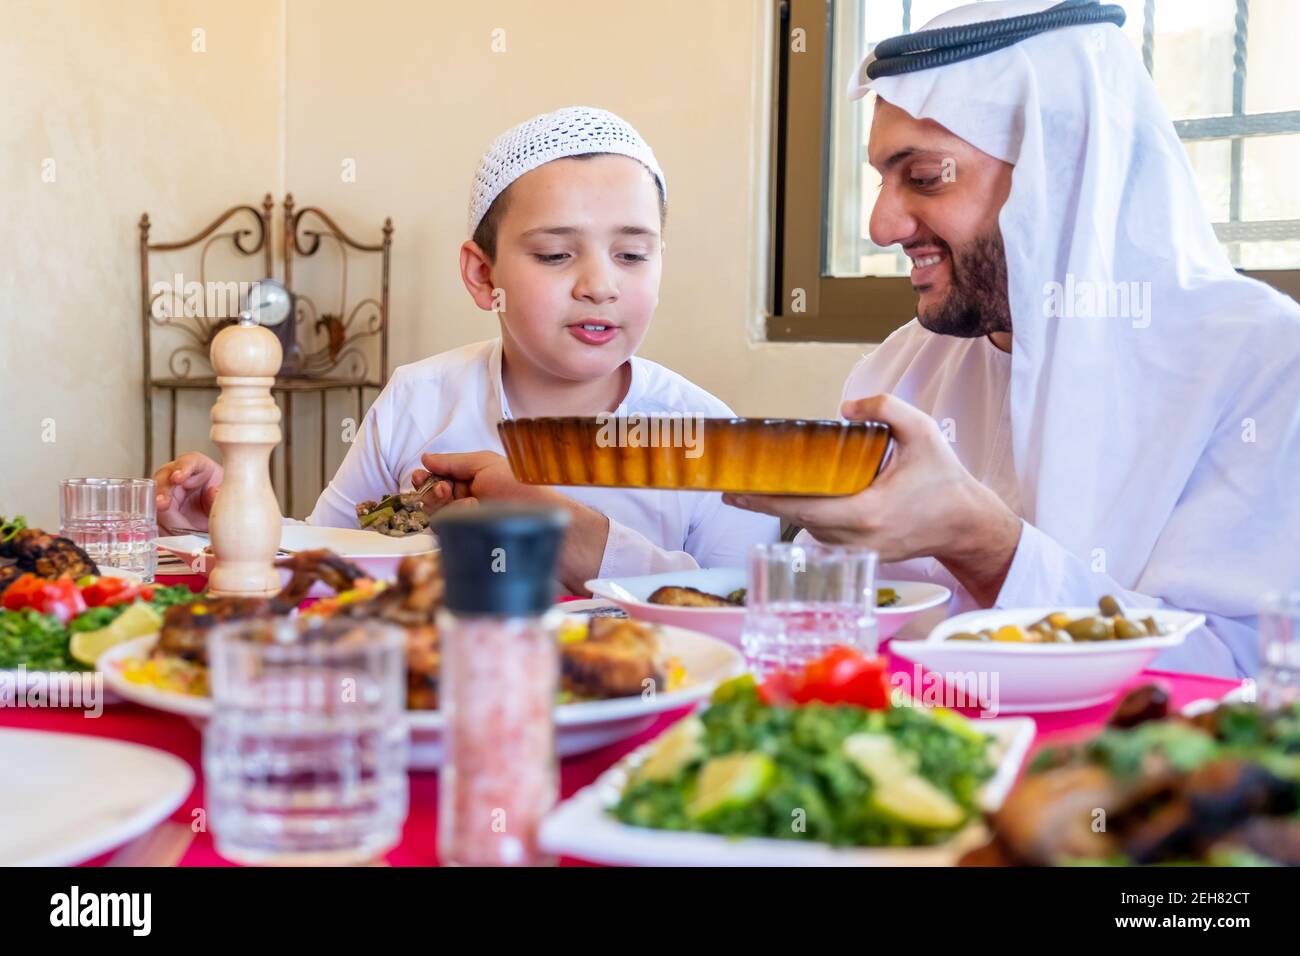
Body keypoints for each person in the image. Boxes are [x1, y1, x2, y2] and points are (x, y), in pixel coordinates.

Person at [725, 0, 1300, 677]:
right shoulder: (899, 368)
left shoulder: (1265, 365)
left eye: (926, 177)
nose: (882, 226)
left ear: (1057, 172)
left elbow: (1243, 681)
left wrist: (985, 543)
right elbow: (830, 643)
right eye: (881, 179)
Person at [153, 106, 778, 593]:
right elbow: (332, 559)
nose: (600, 285)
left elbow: (746, 622)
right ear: (484, 276)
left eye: (633, 255)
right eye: (556, 254)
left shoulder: (717, 441)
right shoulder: (417, 400)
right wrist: (227, 520)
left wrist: (554, 527)